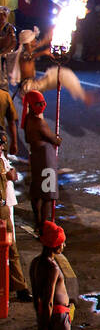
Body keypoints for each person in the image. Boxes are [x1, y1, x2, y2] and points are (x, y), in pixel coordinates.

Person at [0, 129, 31, 302]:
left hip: (7, 207)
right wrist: (7, 174)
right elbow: (10, 174)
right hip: (2, 210)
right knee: (10, 248)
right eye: (1, 143)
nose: (3, 146)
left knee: (11, 249)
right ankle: (19, 287)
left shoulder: (2, 157)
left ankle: (18, 286)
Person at [21, 90, 59, 228]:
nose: (42, 105)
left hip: (36, 157)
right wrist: (58, 138)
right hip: (45, 159)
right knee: (47, 195)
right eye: (38, 103)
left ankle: (38, 221)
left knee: (37, 191)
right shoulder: (39, 122)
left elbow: (26, 138)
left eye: (43, 102)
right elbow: (54, 139)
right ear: (31, 105)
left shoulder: (28, 121)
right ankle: (43, 226)